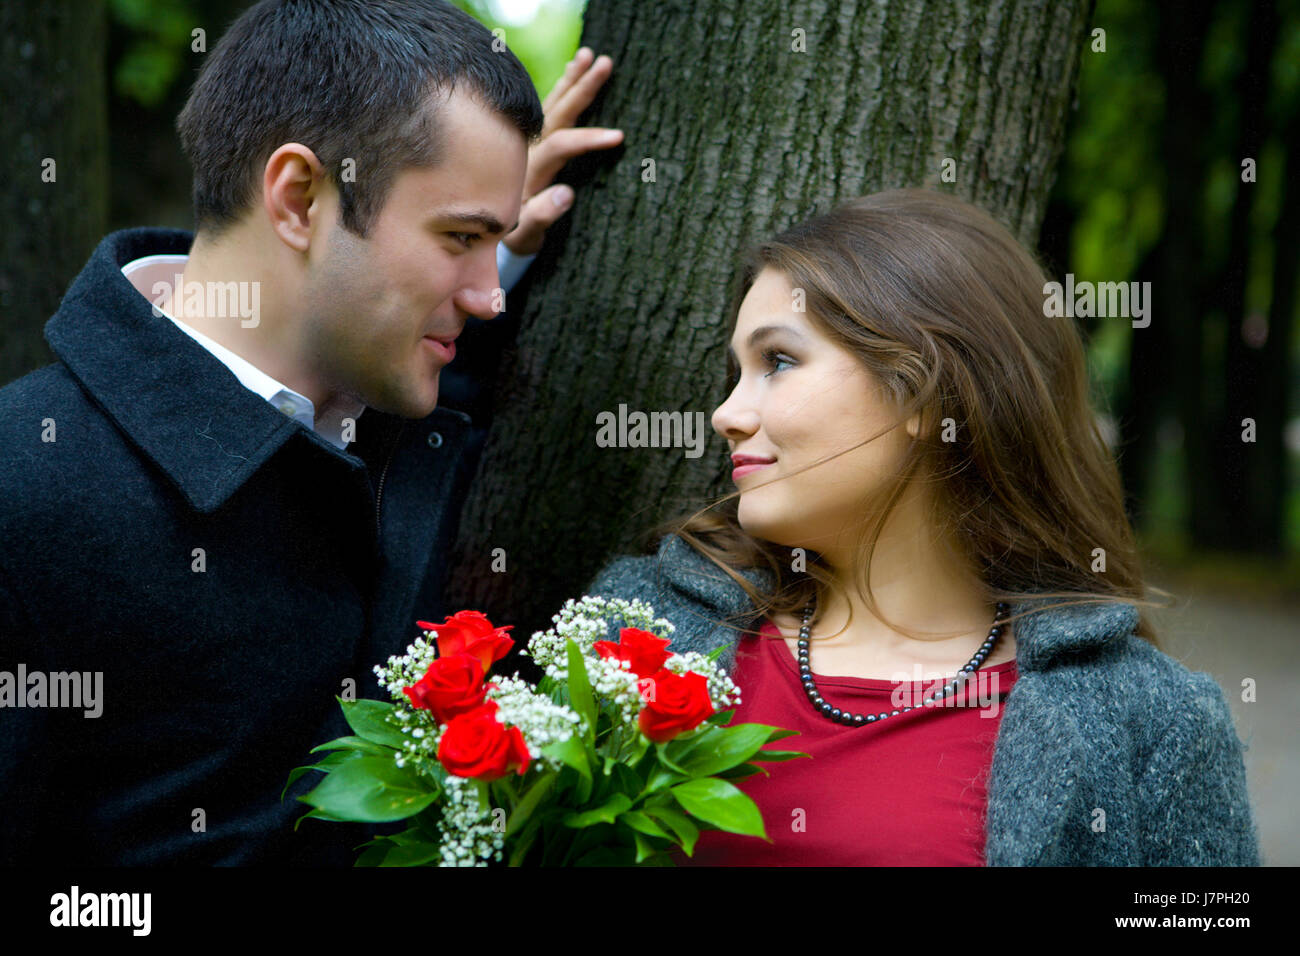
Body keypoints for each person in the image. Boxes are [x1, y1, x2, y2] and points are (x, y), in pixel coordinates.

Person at [0, 0, 621, 865]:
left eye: (495, 242)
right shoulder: (25, 485)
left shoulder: (397, 409)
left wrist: (489, 214)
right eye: (459, 236)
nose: (488, 293)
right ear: (299, 197)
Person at [588, 188, 1262, 866]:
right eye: (737, 372)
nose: (726, 414)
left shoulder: (1150, 720)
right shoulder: (638, 627)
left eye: (779, 362)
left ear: (921, 391)